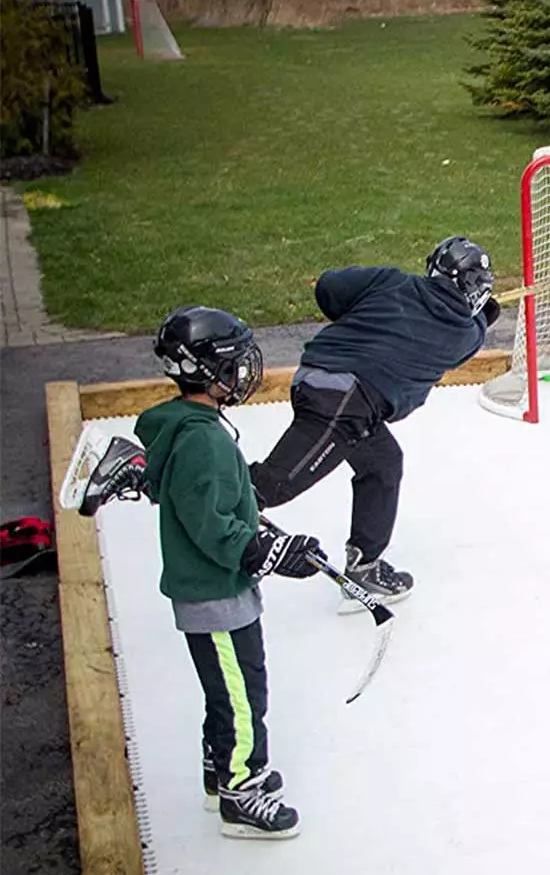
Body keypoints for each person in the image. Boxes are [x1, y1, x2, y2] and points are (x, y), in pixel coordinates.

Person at [133, 305, 327, 839]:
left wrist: (257, 525)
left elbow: (213, 502)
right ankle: (241, 792)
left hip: (218, 591)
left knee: (229, 688)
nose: (245, 371)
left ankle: (220, 769)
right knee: (242, 696)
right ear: (210, 370)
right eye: (236, 362)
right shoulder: (203, 440)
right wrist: (262, 551)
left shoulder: (190, 427)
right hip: (214, 593)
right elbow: (210, 525)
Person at [248, 237, 498, 608]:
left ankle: (365, 565)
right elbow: (475, 324)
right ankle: (194, 495)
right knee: (276, 484)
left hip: (325, 385)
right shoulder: (464, 334)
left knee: (383, 464)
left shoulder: (391, 281)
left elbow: (330, 288)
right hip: (343, 403)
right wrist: (486, 313)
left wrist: (371, 312)